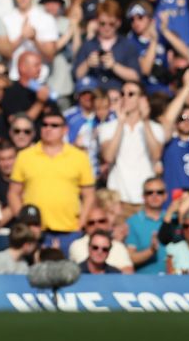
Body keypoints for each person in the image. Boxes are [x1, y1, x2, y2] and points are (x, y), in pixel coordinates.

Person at [10, 110, 95, 254]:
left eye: (54, 125)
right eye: (45, 125)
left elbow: (89, 195)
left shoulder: (79, 157)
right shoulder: (25, 156)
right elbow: (13, 193)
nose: (48, 129)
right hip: (35, 232)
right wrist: (24, 222)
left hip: (70, 231)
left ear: (65, 129)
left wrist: (81, 223)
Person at [99, 81, 165, 212]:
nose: (125, 98)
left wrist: (145, 121)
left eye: (131, 94)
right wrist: (120, 123)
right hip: (118, 200)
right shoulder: (107, 127)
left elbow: (156, 154)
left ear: (142, 99)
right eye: (122, 94)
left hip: (145, 199)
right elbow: (108, 157)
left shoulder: (155, 128)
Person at [68, 206, 134, 273]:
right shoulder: (77, 245)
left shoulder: (119, 246)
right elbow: (89, 267)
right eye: (91, 222)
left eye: (101, 221)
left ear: (108, 223)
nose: (97, 225)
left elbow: (128, 272)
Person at [126, 177, 168, 274]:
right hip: (144, 281)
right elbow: (130, 258)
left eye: (159, 192)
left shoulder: (173, 219)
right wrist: (151, 250)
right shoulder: (133, 222)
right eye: (149, 192)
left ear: (165, 195)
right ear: (143, 196)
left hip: (174, 280)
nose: (154, 196)